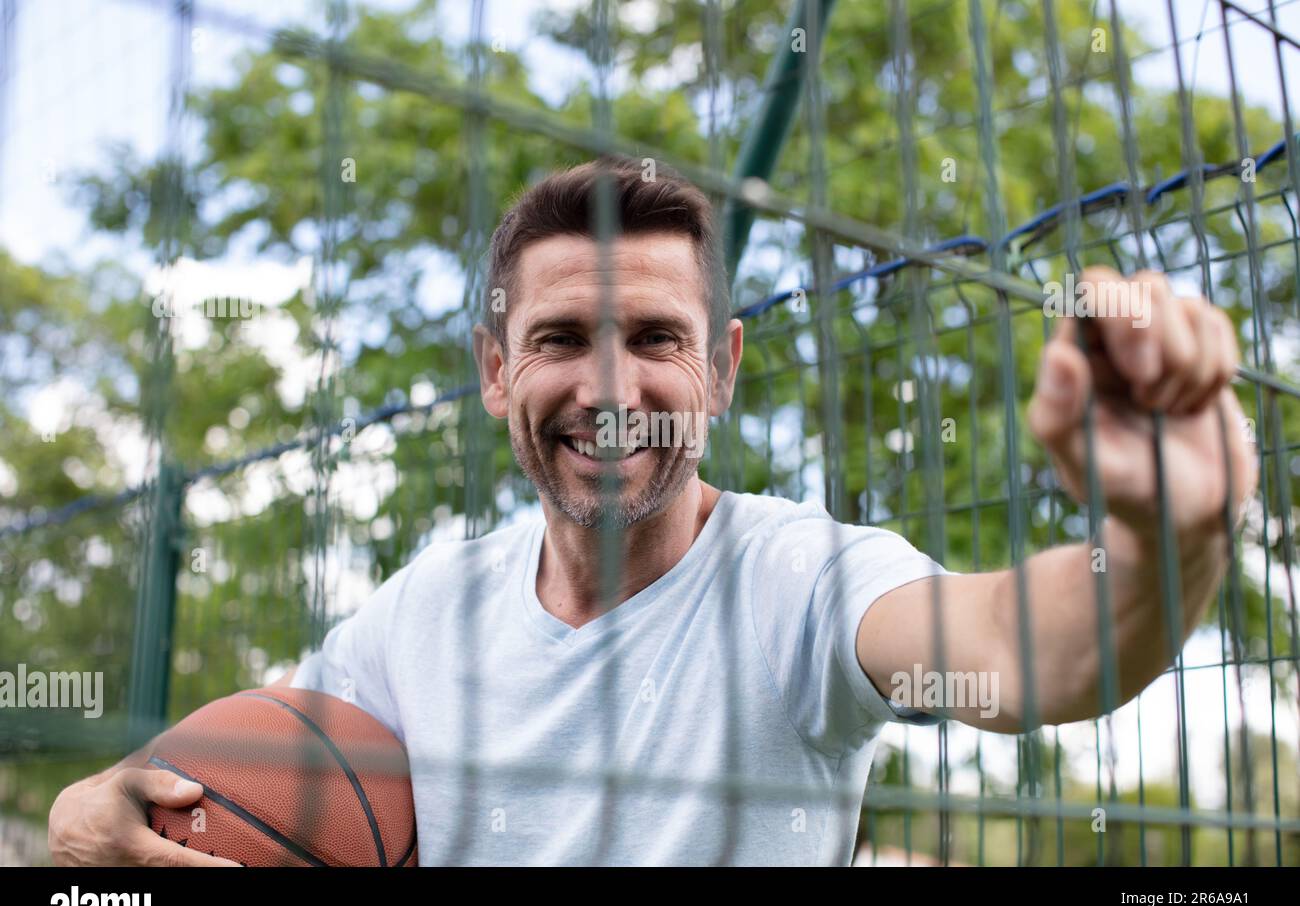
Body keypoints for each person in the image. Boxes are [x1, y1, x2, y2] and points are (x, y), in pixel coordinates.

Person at [48, 157, 1256, 866]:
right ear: (492, 369)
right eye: (563, 338)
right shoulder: (419, 616)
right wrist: (85, 817)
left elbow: (1022, 654)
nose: (612, 390)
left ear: (722, 368)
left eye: (657, 339)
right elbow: (222, 785)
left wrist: (1163, 538)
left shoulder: (801, 580)